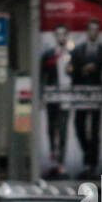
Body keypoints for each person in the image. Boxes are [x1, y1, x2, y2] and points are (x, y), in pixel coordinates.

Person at [67, 19, 102, 177]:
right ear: (87, 32)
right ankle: (87, 154)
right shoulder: (78, 50)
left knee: (95, 129)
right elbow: (71, 71)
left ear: (98, 33)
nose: (93, 33)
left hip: (96, 94)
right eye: (91, 30)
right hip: (81, 93)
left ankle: (92, 164)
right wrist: (82, 71)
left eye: (96, 30)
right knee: (79, 126)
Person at [40, 24, 72, 171]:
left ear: (67, 36)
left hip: (66, 96)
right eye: (58, 34)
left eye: (63, 34)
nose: (61, 37)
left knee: (63, 128)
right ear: (55, 36)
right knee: (52, 127)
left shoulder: (73, 54)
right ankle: (53, 152)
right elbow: (43, 76)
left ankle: (62, 160)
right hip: (52, 97)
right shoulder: (49, 54)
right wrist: (41, 96)